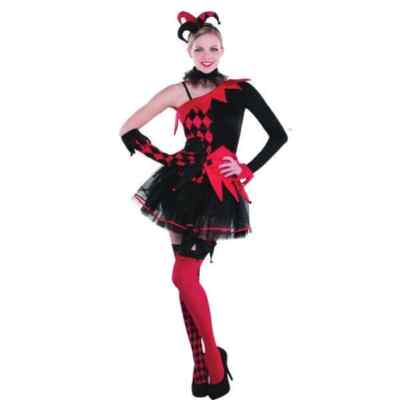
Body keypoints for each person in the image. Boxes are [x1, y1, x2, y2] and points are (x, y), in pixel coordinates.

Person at [119, 10, 288, 399]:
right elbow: (128, 128)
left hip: (216, 193)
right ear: (189, 52)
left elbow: (278, 135)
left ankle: (213, 361)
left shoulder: (240, 90)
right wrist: (169, 159)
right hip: (180, 189)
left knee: (183, 277)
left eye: (213, 48)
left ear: (222, 50)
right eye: (199, 49)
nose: (207, 55)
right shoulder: (177, 91)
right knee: (186, 281)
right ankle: (202, 364)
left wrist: (246, 168)